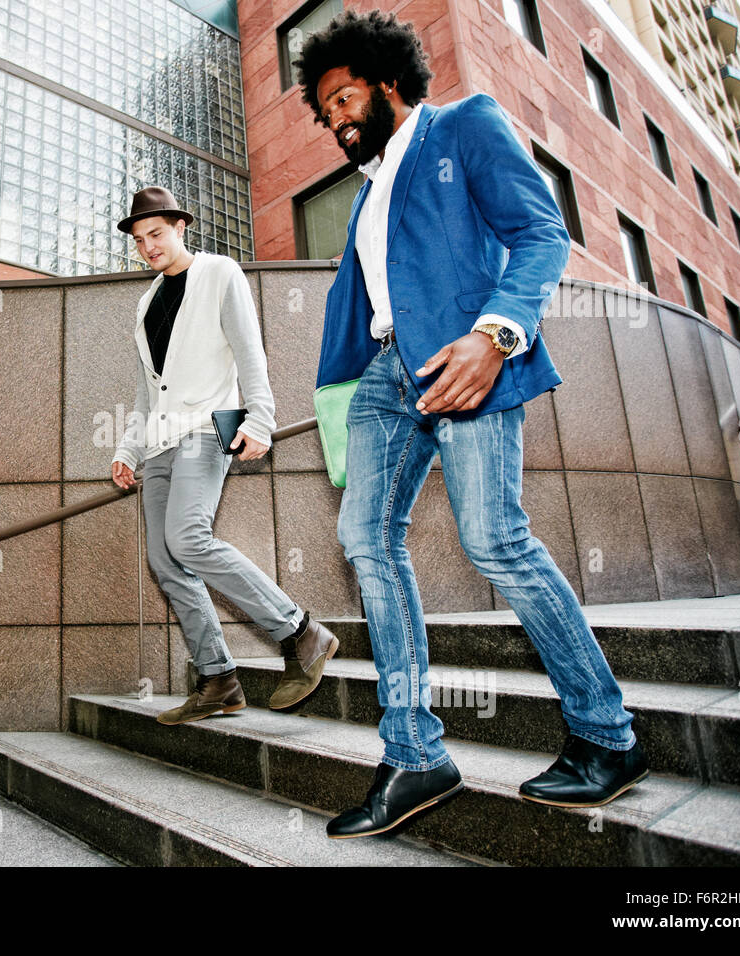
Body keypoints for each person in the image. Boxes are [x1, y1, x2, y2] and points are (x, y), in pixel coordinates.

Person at [293, 10, 648, 838]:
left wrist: (496, 335)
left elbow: (541, 232)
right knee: (366, 539)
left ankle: (608, 736)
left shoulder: (463, 125)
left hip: (465, 356)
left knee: (494, 539)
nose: (336, 119)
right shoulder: (368, 192)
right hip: (386, 376)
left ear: (387, 82)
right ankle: (415, 754)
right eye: (325, 110)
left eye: (344, 98)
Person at [110, 185, 339, 725]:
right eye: (139, 239)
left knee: (188, 538)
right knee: (166, 560)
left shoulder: (219, 273)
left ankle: (300, 632)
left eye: (156, 234)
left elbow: (248, 349)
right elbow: (147, 389)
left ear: (180, 227)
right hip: (159, 444)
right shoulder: (146, 303)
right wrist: (128, 448)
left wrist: (260, 418)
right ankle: (218, 679)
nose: (148, 246)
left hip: (204, 429)